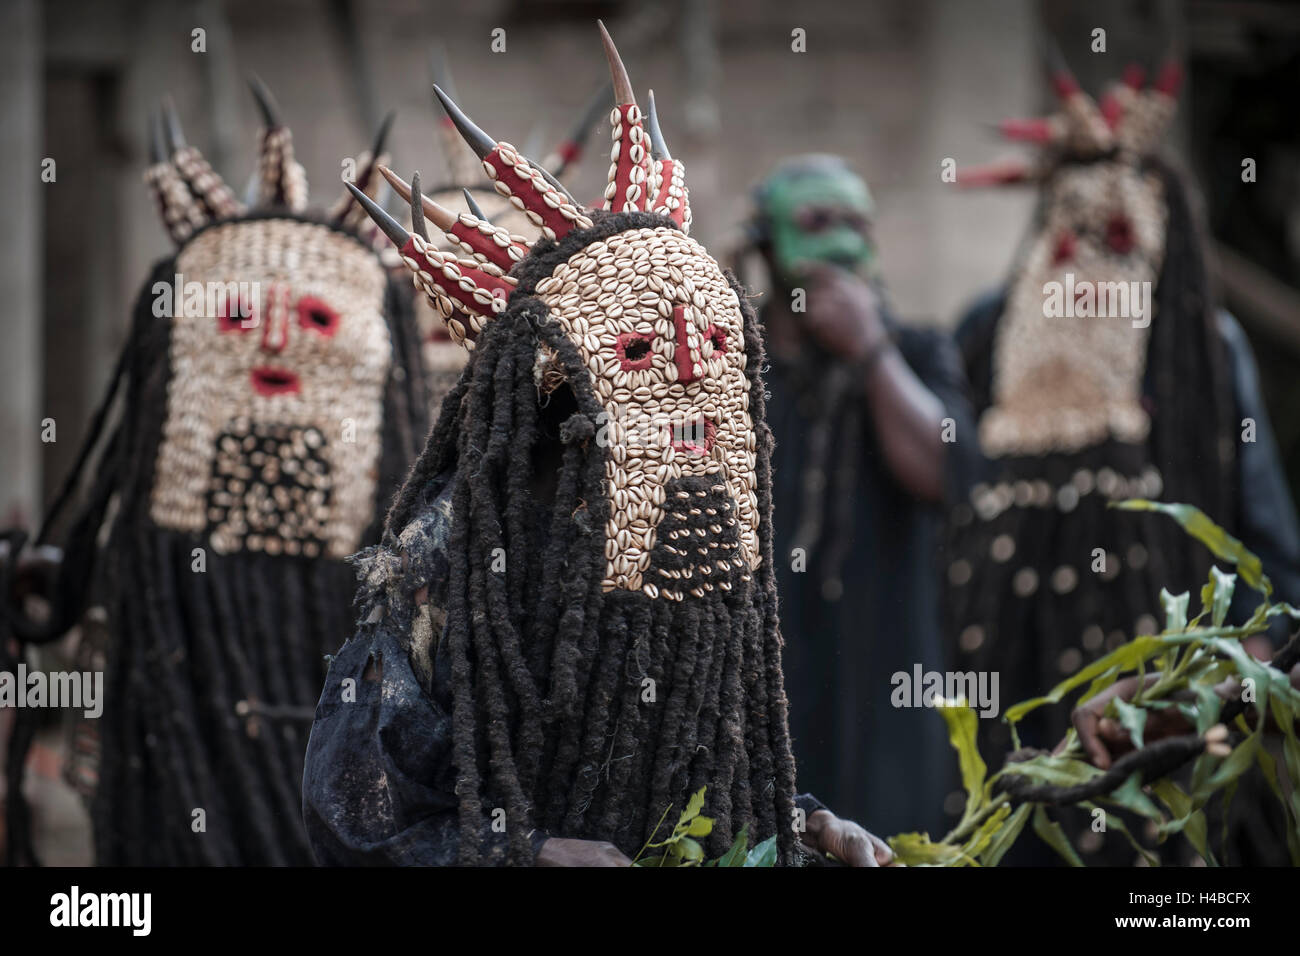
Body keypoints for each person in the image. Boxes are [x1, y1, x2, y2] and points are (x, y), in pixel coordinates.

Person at [302, 23, 893, 867]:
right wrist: (530, 856)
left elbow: (709, 775)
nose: (695, 381)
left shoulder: (707, 549)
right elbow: (353, 813)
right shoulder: (456, 548)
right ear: (557, 381)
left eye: (719, 350)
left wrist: (798, 827)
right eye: (646, 352)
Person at [0, 83, 429, 865]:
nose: (272, 346)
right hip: (178, 761)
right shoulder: (159, 567)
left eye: (315, 322)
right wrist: (57, 583)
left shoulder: (409, 557)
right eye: (236, 320)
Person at [945, 53, 1300, 863]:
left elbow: (1269, 565)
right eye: (1066, 227)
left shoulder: (1204, 351)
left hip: (1155, 730)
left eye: (1112, 231)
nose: (1083, 261)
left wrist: (1223, 678)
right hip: (1001, 698)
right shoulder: (987, 333)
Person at [739, 155, 978, 837]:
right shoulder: (732, 364)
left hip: (889, 682)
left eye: (858, 225)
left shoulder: (917, 351)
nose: (842, 241)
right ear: (766, 241)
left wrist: (870, 348)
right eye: (817, 221)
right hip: (770, 684)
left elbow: (942, 472)